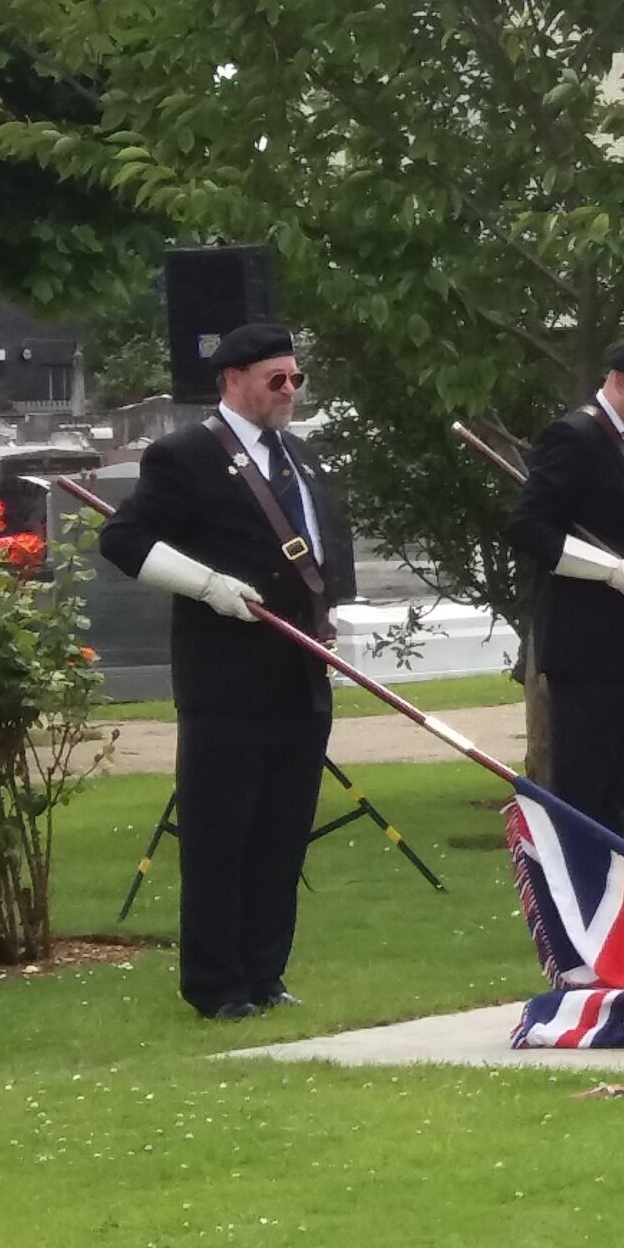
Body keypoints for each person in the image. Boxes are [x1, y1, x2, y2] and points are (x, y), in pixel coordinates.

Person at [98, 323, 357, 1021]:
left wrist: (339, 613)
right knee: (221, 837)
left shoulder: (300, 458)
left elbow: (326, 552)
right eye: (278, 379)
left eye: (297, 379)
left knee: (281, 834)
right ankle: (216, 985)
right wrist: (206, 582)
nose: (291, 391)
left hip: (299, 674)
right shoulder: (185, 456)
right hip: (227, 680)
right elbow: (122, 538)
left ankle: (265, 972)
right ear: (234, 379)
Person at [505, 336, 624, 838]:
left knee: (616, 796)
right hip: (587, 647)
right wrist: (607, 569)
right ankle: (578, 899)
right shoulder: (575, 436)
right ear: (619, 381)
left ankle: (609, 897)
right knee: (584, 798)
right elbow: (529, 526)